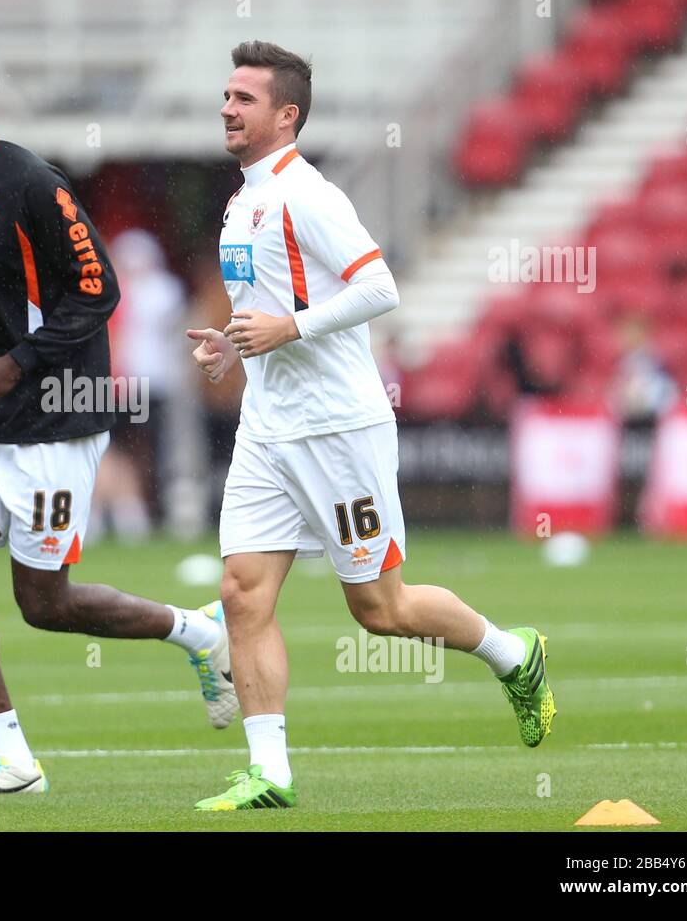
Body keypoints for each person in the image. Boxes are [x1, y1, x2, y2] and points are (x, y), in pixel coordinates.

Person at [185, 41, 556, 812]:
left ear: (286, 115)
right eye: (226, 95)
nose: (227, 107)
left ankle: (514, 655)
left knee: (380, 610)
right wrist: (233, 346)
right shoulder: (242, 198)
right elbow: (270, 300)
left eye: (243, 99)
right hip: (267, 428)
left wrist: (290, 332)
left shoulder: (308, 194)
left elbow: (379, 287)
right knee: (242, 592)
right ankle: (270, 772)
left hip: (338, 430)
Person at [0, 43, 237, 797]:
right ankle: (13, 763)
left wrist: (17, 363)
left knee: (46, 604)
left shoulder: (33, 183)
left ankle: (200, 633)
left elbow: (96, 292)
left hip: (54, 417)